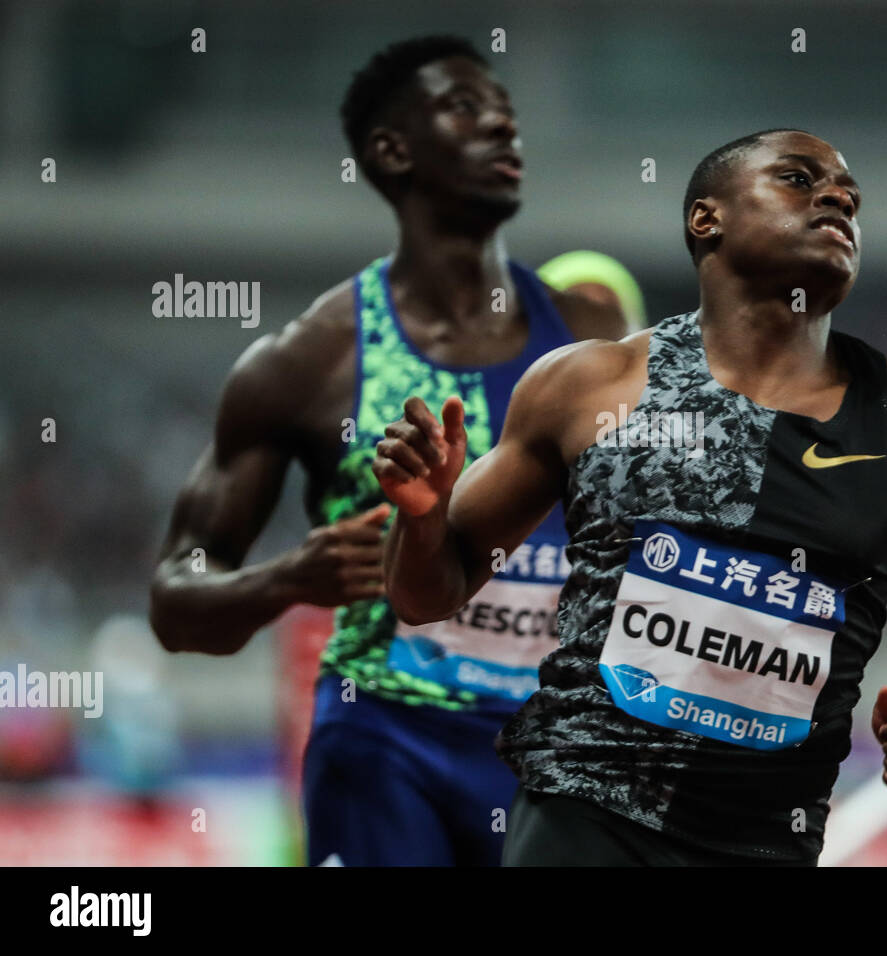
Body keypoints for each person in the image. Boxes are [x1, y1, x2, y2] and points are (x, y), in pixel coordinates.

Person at [375, 128, 887, 866]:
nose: (837, 197)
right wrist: (419, 518)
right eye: (799, 180)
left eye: (850, 197)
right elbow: (428, 591)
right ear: (707, 219)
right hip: (585, 811)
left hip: (768, 840)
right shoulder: (585, 388)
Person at [149, 35, 627, 866]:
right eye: (467, 110)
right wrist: (287, 579)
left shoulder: (592, 346)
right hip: (385, 745)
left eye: (508, 116)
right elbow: (174, 599)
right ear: (392, 151)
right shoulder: (312, 364)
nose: (504, 131)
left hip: (555, 757)